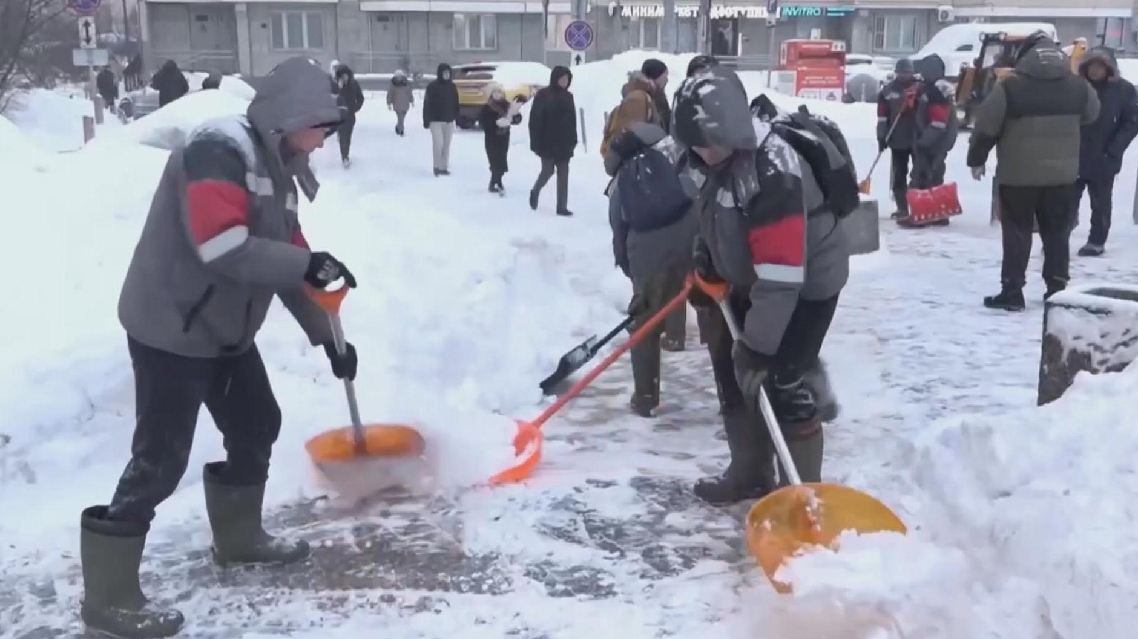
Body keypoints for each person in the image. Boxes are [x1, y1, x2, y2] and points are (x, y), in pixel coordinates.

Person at [79, 56, 357, 639]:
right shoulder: (219, 149)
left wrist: (327, 336)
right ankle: (108, 599)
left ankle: (239, 539)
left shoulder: (281, 161)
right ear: (294, 115)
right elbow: (222, 246)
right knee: (161, 458)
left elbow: (286, 252)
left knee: (257, 423)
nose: (326, 139)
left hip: (224, 329)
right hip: (173, 326)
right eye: (324, 127)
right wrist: (306, 261)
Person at [673, 66, 848, 505]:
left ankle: (801, 495)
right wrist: (707, 255)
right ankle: (750, 472)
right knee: (735, 375)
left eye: (705, 142)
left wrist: (759, 347)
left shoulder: (774, 174)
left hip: (805, 285)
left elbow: (783, 276)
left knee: (781, 380)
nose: (697, 151)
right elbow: (716, 215)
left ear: (731, 131)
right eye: (692, 141)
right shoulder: (705, 161)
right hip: (752, 276)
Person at [967, 32, 1100, 311]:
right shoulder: (1078, 86)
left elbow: (986, 126)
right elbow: (1092, 115)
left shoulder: (1010, 86)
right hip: (1062, 177)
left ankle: (1013, 292)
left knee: (1017, 234)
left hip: (1018, 177)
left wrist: (976, 158)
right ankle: (1057, 290)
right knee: (1057, 235)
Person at [605, 122, 697, 417]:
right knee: (712, 309)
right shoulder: (672, 160)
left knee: (644, 323)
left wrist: (635, 276)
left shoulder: (622, 183)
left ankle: (646, 396)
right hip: (692, 234)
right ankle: (730, 394)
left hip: (646, 250)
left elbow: (619, 232)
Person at [1074, 46, 1138, 257]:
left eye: (1099, 66)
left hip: (1104, 156)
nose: (1095, 70)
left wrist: (1114, 149)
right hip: (1074, 154)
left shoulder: (1124, 90)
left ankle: (1096, 240)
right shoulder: (1077, 87)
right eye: (1091, 65)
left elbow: (1131, 122)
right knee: (1065, 201)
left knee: (1100, 202)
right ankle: (1058, 237)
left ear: (1109, 68)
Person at [899, 53, 958, 229]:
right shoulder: (933, 89)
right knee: (934, 175)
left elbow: (938, 123)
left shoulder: (936, 93)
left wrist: (924, 143)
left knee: (920, 176)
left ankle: (920, 215)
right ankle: (937, 214)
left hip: (933, 142)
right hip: (938, 141)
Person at [528, 66, 578, 217]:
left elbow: (572, 120)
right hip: (547, 141)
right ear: (555, 78)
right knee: (547, 171)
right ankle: (535, 190)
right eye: (562, 78)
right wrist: (535, 142)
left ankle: (561, 206)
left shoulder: (569, 96)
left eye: (567, 79)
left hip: (564, 142)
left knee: (564, 174)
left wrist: (573, 140)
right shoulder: (543, 95)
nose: (564, 81)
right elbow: (535, 120)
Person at [876, 58, 921, 219]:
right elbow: (882, 117)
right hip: (897, 140)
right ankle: (902, 207)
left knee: (918, 174)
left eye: (907, 72)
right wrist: (881, 137)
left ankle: (918, 207)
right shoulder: (888, 91)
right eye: (901, 72)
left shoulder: (920, 89)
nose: (904, 75)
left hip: (917, 140)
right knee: (899, 175)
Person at [479, 85, 524, 194]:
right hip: (491, 137)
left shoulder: (507, 105)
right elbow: (483, 122)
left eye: (499, 92)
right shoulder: (488, 107)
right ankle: (494, 182)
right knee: (494, 159)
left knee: (502, 159)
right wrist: (496, 123)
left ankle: (497, 181)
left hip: (503, 137)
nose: (497, 94)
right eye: (495, 92)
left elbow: (516, 118)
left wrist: (515, 117)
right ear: (491, 94)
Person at [423, 63, 459, 176]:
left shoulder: (452, 87)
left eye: (448, 73)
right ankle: (436, 166)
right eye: (444, 73)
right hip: (435, 120)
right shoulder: (432, 87)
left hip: (448, 120)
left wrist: (456, 116)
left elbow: (455, 102)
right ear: (440, 73)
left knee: (446, 145)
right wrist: (426, 119)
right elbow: (427, 104)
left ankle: (444, 167)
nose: (447, 75)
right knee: (438, 143)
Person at [331, 61, 365, 168]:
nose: (344, 77)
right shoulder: (335, 85)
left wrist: (355, 108)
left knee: (347, 137)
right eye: (342, 75)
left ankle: (346, 153)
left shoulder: (354, 84)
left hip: (350, 115)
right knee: (342, 137)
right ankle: (344, 157)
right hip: (338, 115)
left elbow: (360, 98)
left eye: (346, 75)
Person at [387, 69, 414, 136]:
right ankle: (401, 130)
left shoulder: (406, 85)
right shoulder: (394, 85)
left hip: (405, 104)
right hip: (397, 104)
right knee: (400, 117)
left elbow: (409, 94)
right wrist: (389, 103)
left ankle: (398, 126)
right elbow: (390, 94)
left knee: (401, 118)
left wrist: (412, 101)